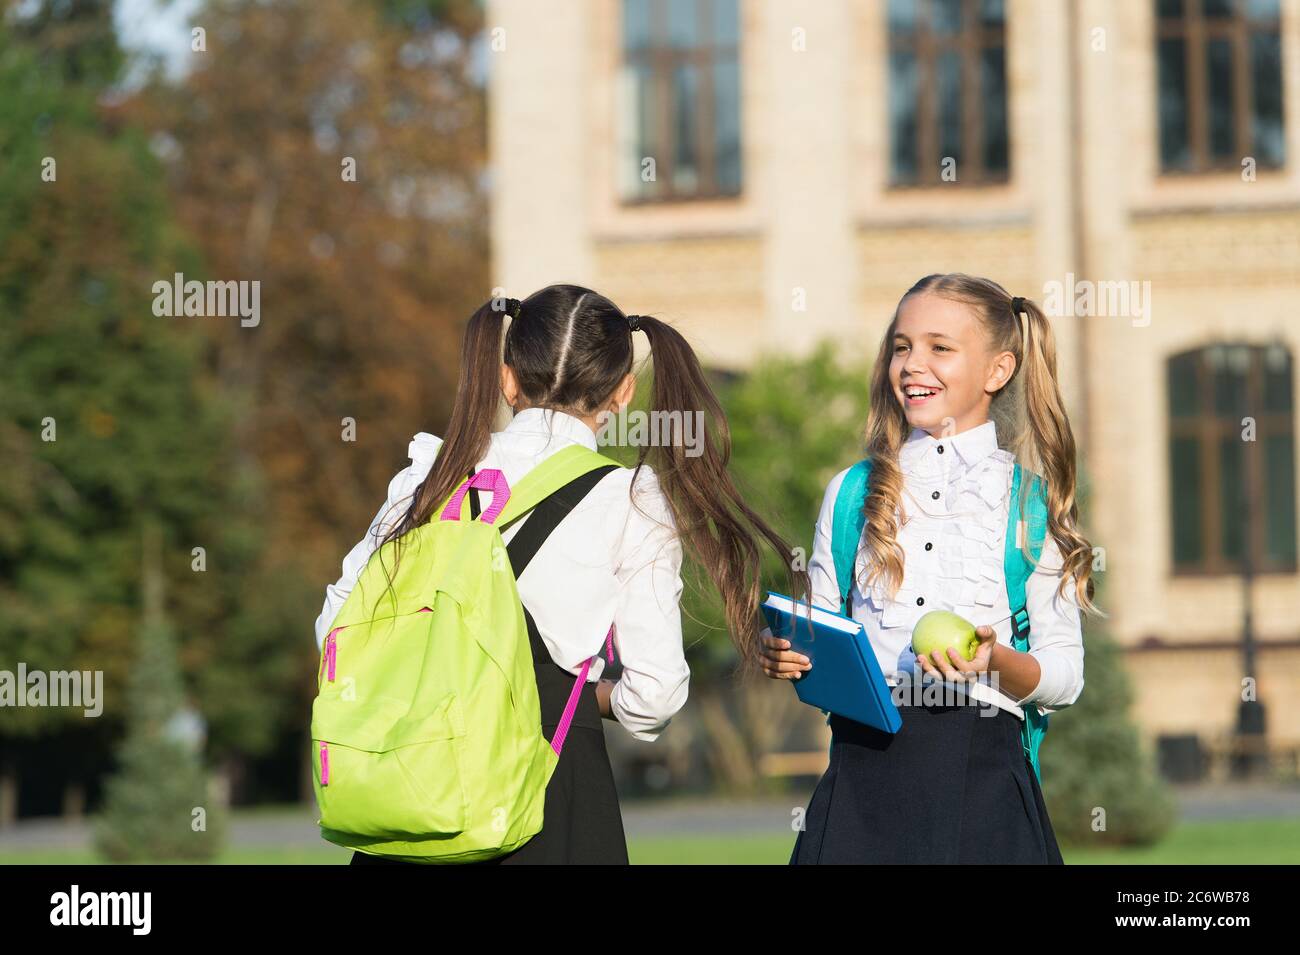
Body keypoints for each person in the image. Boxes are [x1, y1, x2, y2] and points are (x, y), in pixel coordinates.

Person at [317, 284, 806, 864]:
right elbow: (655, 694)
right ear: (623, 392)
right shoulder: (629, 499)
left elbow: (336, 629)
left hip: (414, 788)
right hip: (547, 792)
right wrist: (576, 691)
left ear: (506, 378)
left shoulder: (427, 476)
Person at [761, 273, 1102, 864]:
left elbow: (1065, 676)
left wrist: (994, 661)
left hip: (985, 782)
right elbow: (822, 645)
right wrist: (791, 653)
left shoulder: (1028, 505)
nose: (913, 364)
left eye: (940, 348)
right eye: (902, 346)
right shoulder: (850, 493)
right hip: (862, 778)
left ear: (998, 370)